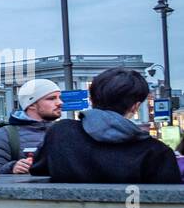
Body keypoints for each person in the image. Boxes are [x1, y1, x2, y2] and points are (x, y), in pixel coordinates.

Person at [31, 68, 182, 185]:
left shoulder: (60, 132)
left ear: (91, 98)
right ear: (135, 107)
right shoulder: (156, 152)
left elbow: (38, 170)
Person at [0, 79, 63, 174]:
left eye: (59, 98)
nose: (60, 102)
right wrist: (11, 168)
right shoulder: (3, 135)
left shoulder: (63, 133)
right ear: (32, 105)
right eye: (51, 98)